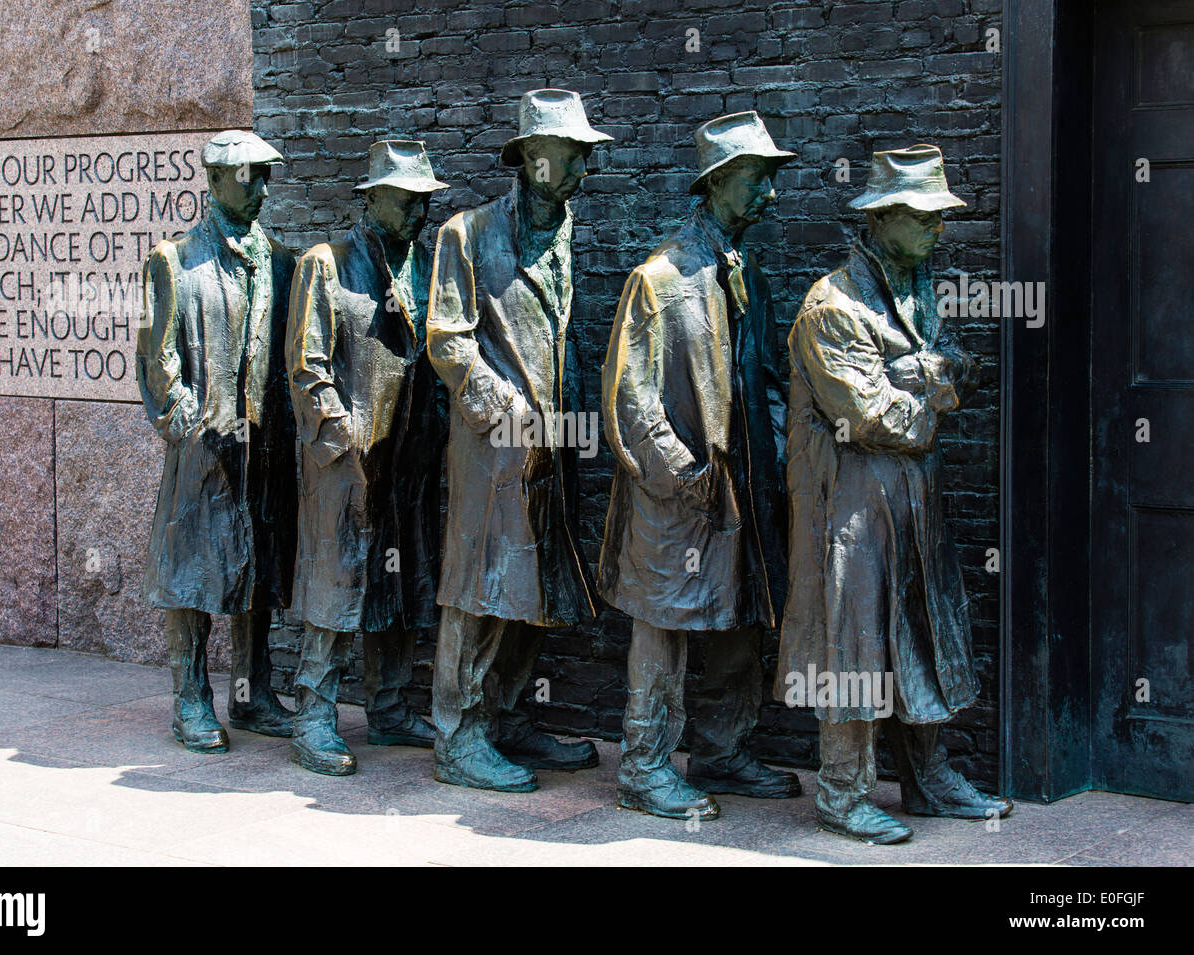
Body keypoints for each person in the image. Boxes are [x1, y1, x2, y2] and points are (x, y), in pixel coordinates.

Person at [777, 144, 1013, 843]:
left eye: (939, 218)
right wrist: (930, 383)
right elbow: (875, 417)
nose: (938, 230)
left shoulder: (917, 289)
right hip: (847, 507)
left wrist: (923, 373)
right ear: (882, 219)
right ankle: (844, 791)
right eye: (924, 218)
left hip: (912, 499)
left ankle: (928, 779)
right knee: (851, 646)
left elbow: (964, 371)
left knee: (923, 631)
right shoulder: (832, 307)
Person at [600, 112, 801, 820]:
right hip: (677, 498)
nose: (771, 194)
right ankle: (645, 766)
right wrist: (681, 477)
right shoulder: (659, 279)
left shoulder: (747, 274)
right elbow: (631, 396)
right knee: (664, 627)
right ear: (719, 182)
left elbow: (769, 380)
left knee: (741, 619)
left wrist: (774, 456)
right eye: (758, 178)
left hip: (742, 490)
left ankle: (722, 750)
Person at [425, 90, 612, 792]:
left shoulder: (564, 229)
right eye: (572, 158)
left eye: (585, 159)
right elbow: (446, 339)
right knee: (478, 588)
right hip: (493, 446)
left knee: (537, 586)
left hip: (553, 444)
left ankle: (506, 717)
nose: (582, 172)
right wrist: (503, 411)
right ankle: (457, 736)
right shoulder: (466, 235)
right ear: (535, 161)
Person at [284, 140, 450, 775]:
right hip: (346, 463)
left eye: (424, 203)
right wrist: (342, 436)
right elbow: (306, 366)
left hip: (408, 457)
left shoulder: (427, 265)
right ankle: (314, 715)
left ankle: (388, 705)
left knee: (400, 578)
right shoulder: (327, 265)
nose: (418, 213)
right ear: (373, 197)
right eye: (407, 201)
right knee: (337, 581)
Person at [136, 130, 297, 753]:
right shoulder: (173, 261)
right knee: (194, 572)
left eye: (265, 177)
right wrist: (190, 426)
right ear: (214, 179)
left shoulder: (283, 262)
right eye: (248, 176)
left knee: (256, 566)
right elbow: (156, 358)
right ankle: (191, 696)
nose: (260, 189)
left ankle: (252, 692)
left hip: (263, 449)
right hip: (204, 453)